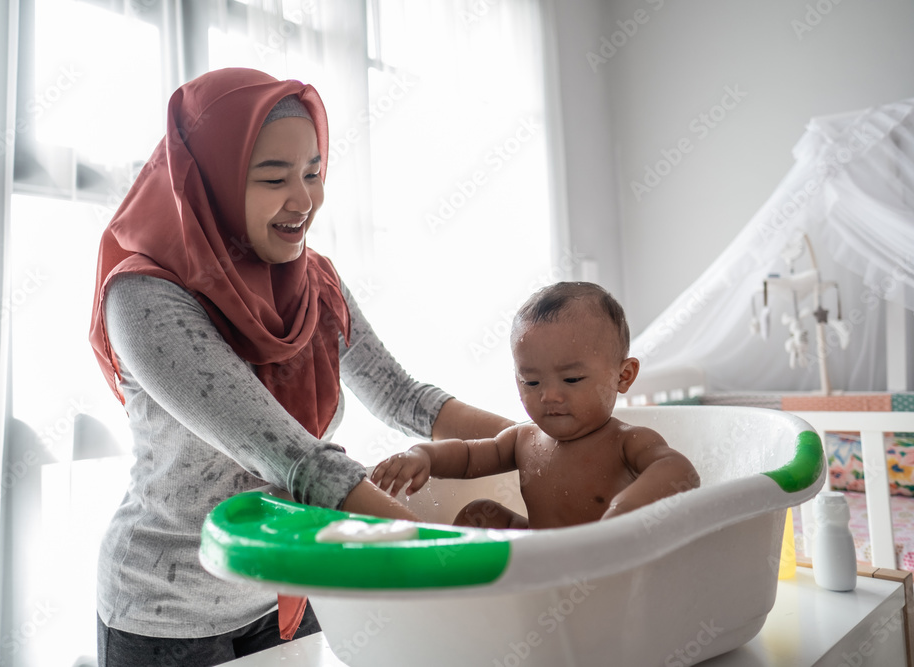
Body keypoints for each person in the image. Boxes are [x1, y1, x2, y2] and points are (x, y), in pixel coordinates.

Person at [88, 68, 512, 667]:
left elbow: (405, 398)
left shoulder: (315, 283)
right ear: (207, 184)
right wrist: (457, 564)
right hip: (166, 617)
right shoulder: (142, 299)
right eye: (273, 178)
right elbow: (294, 459)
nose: (305, 200)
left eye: (313, 173)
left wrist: (542, 447)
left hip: (287, 589)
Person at [371, 282, 700, 529]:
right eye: (531, 382)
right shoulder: (522, 440)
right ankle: (464, 603)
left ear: (623, 377)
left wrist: (626, 509)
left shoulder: (626, 441)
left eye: (571, 380)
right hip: (541, 560)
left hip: (606, 563)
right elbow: (469, 456)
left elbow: (679, 470)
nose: (549, 396)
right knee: (478, 513)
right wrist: (424, 456)